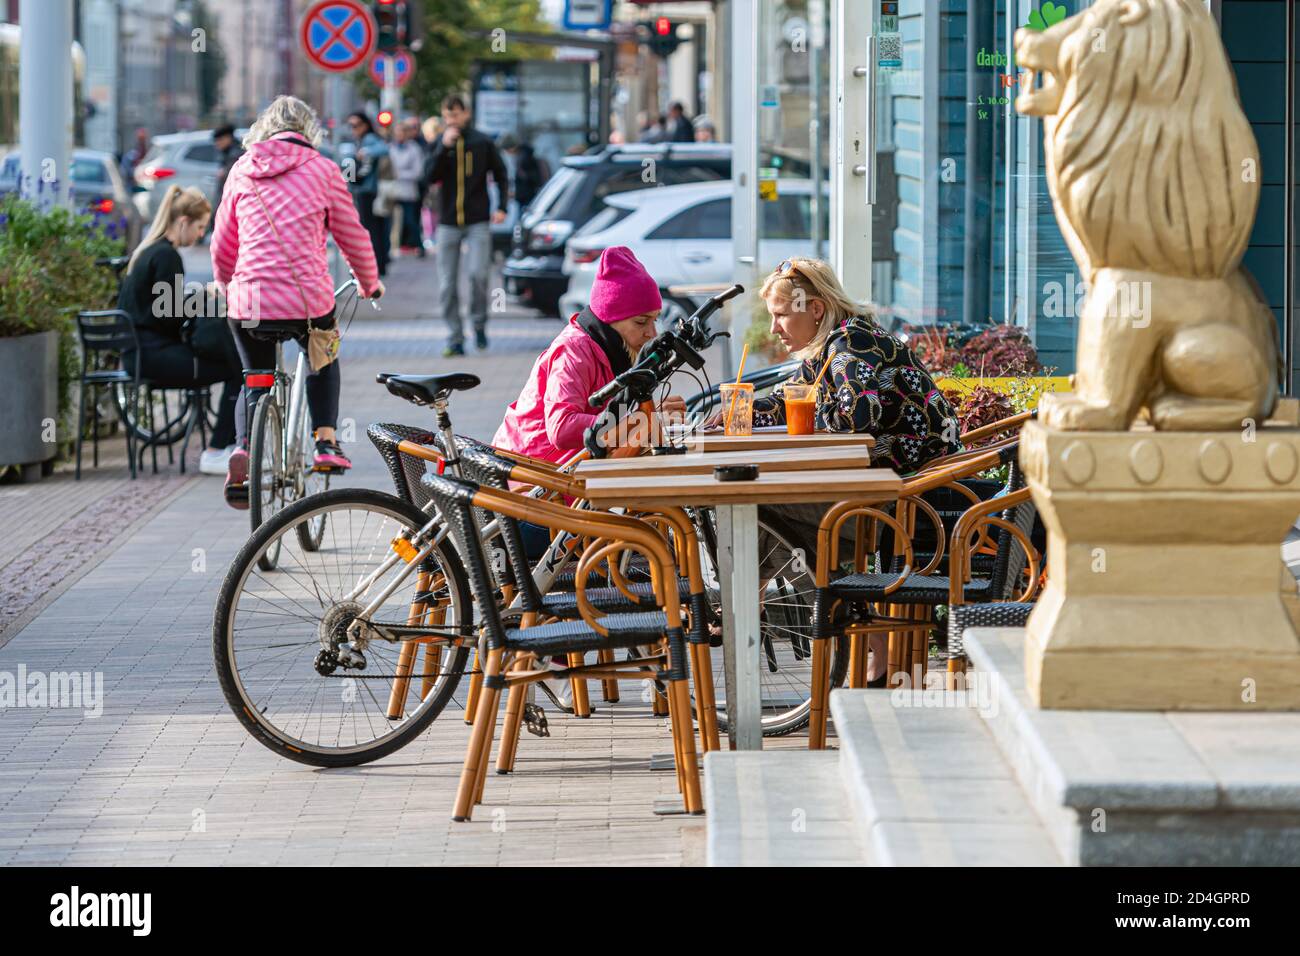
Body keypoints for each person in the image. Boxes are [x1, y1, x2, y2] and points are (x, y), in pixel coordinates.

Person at [709, 257, 962, 683]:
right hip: (894, 491)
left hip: (912, 502)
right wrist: (743, 409)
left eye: (780, 316)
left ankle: (747, 604)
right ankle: (854, 634)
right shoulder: (837, 343)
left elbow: (856, 423)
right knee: (778, 512)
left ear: (816, 309)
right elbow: (797, 399)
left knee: (759, 504)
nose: (774, 329)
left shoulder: (849, 349)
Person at [211, 95, 384, 508]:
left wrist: (225, 284)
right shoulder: (324, 170)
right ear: (308, 131)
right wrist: (368, 282)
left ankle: (245, 449)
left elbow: (222, 243)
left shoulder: (241, 170)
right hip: (306, 301)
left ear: (263, 128)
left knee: (254, 375)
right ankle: (325, 440)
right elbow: (352, 235)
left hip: (250, 301)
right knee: (324, 350)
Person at [493, 246, 686, 472]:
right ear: (610, 320)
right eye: (641, 322)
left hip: (566, 467)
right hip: (534, 474)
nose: (652, 333)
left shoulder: (612, 347)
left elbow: (614, 417)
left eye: (655, 320)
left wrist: (648, 414)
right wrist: (639, 419)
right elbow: (562, 428)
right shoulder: (573, 350)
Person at [117, 184, 242, 475]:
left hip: (138, 354)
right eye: (199, 227)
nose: (201, 235)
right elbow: (169, 316)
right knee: (236, 370)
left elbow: (162, 309)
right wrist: (205, 296)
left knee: (229, 365)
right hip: (153, 355)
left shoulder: (147, 251)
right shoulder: (167, 257)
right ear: (183, 222)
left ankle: (224, 447)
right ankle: (218, 449)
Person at [423, 94, 509, 357]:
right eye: (448, 115)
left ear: (466, 113)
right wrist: (443, 148)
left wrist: (502, 206)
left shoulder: (481, 141)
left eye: (457, 114)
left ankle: (479, 325)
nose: (452, 120)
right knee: (447, 283)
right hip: (448, 221)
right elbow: (428, 176)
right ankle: (455, 337)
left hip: (477, 220)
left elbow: (501, 174)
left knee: (477, 275)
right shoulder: (440, 142)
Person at [342, 111, 391, 277]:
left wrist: (366, 152)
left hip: (367, 191)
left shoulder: (368, 139)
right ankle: (378, 265)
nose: (353, 129)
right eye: (351, 126)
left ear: (365, 125)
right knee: (375, 229)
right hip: (366, 190)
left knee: (370, 230)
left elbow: (384, 148)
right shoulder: (359, 140)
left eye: (355, 125)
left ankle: (375, 266)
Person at [389, 119, 426, 258]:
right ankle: (391, 248)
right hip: (392, 190)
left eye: (402, 133)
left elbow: (418, 172)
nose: (399, 135)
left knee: (411, 220)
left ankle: (419, 246)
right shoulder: (391, 147)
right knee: (390, 222)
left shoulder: (414, 149)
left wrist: (399, 174)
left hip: (407, 189)